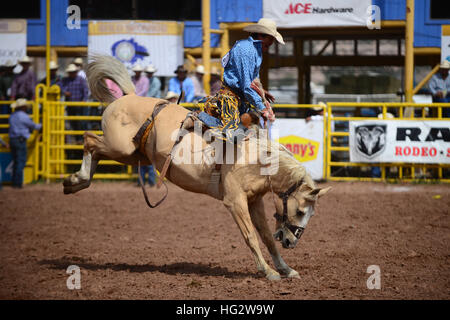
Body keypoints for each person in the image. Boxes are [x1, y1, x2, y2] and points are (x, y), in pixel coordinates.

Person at [193, 18, 281, 142]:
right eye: (270, 38)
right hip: (232, 97)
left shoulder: (255, 50)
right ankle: (199, 116)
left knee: (252, 129)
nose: (272, 42)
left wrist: (262, 91)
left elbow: (252, 79)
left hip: (239, 99)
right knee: (233, 135)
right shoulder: (246, 50)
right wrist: (262, 107)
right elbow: (246, 85)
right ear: (261, 35)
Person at [8, 99, 41, 188]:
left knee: (16, 161)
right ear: (23, 107)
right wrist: (41, 125)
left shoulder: (12, 116)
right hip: (20, 140)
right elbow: (33, 125)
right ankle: (17, 183)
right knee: (21, 161)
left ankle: (14, 182)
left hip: (12, 139)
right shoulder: (23, 116)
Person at [59, 63, 90, 136]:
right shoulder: (65, 80)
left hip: (80, 105)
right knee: (73, 122)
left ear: (75, 72)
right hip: (71, 105)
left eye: (73, 72)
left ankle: (82, 138)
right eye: (70, 72)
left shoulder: (81, 80)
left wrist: (83, 101)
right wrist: (64, 92)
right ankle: (77, 138)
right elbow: (59, 87)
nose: (71, 73)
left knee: (82, 123)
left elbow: (85, 91)